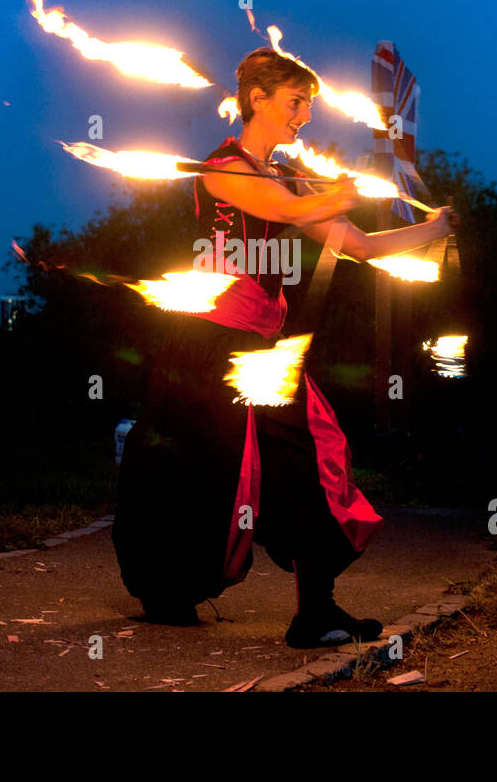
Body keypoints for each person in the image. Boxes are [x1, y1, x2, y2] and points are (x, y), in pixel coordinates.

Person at [112, 48, 460, 648]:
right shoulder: (222, 167)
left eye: (308, 104)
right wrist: (338, 192)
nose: (304, 115)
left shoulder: (289, 177)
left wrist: (433, 229)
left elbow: (361, 247)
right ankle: (169, 589)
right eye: (296, 101)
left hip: (262, 351)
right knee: (195, 472)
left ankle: (316, 609)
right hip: (209, 348)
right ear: (258, 99)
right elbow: (294, 211)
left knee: (314, 456)